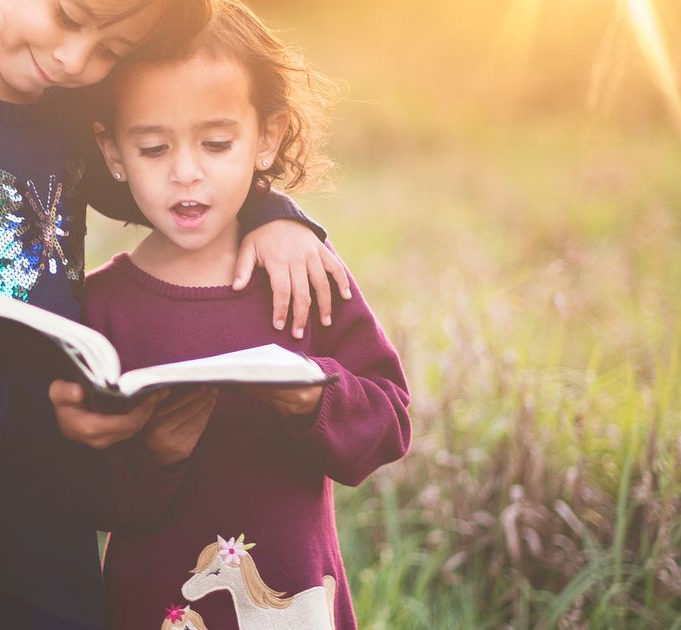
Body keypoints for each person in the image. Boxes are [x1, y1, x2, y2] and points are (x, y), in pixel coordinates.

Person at [0, 0, 353, 627]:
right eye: (69, 17)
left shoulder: (59, 95)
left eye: (111, 51)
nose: (77, 59)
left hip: (42, 472)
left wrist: (275, 215)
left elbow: (168, 184)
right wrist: (35, 405)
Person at [82, 2, 412, 628]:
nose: (186, 172)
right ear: (113, 150)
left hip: (293, 606)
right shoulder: (102, 309)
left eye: (216, 142)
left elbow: (390, 420)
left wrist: (314, 397)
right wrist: (153, 453)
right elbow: (84, 496)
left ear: (267, 136)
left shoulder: (301, 273)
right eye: (152, 147)